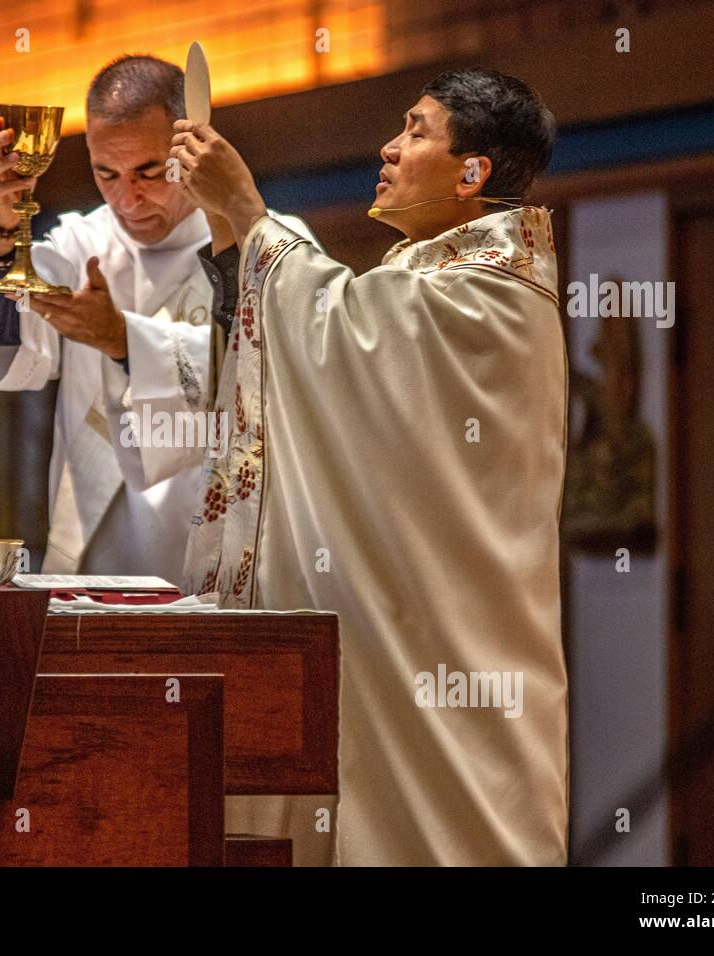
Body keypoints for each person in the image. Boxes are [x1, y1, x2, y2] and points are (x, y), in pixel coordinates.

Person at [168, 68, 569, 865]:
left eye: (417, 131)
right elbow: (327, 333)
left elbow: (336, 329)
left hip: (449, 649)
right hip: (400, 636)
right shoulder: (425, 279)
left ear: (471, 173)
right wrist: (227, 220)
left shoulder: (490, 296)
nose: (387, 147)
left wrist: (249, 207)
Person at [0, 55, 312, 578]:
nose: (128, 198)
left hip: (226, 535)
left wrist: (123, 339)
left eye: (149, 172)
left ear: (187, 146)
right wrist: (6, 221)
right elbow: (13, 357)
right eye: (107, 174)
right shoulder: (83, 242)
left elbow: (284, 377)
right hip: (100, 541)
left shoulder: (267, 242)